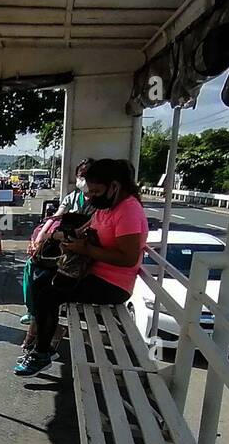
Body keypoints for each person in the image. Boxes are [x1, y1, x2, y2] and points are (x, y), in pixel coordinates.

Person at [15, 159, 148, 376]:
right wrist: (61, 237)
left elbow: (128, 258)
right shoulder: (107, 208)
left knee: (48, 295)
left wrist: (85, 250)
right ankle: (44, 346)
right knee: (40, 282)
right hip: (92, 273)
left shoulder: (128, 211)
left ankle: (41, 353)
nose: (92, 197)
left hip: (112, 284)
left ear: (114, 186)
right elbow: (86, 229)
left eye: (96, 191)